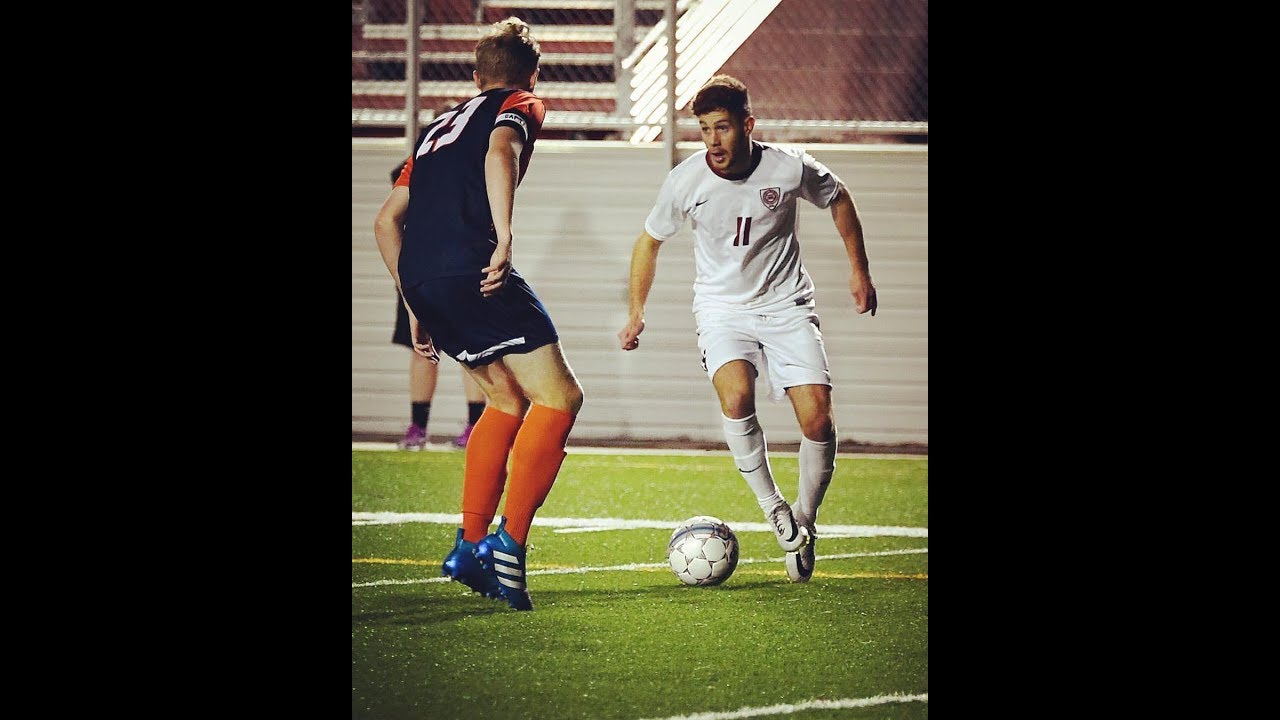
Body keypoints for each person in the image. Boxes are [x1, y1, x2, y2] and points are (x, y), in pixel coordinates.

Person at [616, 74, 878, 584]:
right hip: (720, 309)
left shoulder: (788, 166)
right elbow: (648, 242)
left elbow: (839, 197)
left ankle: (805, 518)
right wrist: (635, 312)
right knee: (736, 397)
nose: (712, 141)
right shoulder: (685, 180)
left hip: (787, 305)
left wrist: (859, 270)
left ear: (748, 125)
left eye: (723, 128)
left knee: (818, 420)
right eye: (703, 129)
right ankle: (773, 507)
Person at [374, 16, 583, 612]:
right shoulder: (521, 104)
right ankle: (509, 544)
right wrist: (504, 237)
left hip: (423, 276)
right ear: (532, 76)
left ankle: (469, 546)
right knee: (561, 399)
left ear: (474, 76)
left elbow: (386, 221)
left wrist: (413, 296)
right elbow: (501, 150)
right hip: (474, 266)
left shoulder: (436, 126)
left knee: (505, 400)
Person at [387, 161, 488, 451]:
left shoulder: (473, 167)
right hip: (423, 271)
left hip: (459, 268)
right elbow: (388, 219)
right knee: (423, 350)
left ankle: (474, 426)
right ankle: (419, 427)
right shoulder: (416, 165)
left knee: (471, 350)